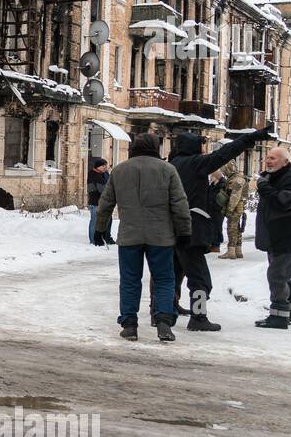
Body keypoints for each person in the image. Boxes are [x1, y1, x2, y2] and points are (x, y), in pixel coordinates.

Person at [167, 125, 274, 331]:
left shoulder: (173, 164)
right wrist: (251, 138)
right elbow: (225, 153)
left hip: (171, 228)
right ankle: (198, 318)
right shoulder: (195, 163)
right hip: (191, 230)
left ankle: (164, 311)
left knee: (172, 272)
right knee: (200, 279)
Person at [95, 132, 192, 343]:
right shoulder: (168, 170)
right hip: (161, 236)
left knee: (130, 280)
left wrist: (100, 228)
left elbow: (105, 203)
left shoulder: (120, 170)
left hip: (129, 235)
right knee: (165, 279)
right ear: (156, 148)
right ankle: (164, 321)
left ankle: (129, 325)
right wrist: (184, 232)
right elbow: (180, 204)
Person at [253, 146, 291, 329]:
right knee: (282, 275)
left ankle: (279, 316)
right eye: (267, 158)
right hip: (276, 237)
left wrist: (265, 188)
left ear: (285, 162)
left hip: (287, 237)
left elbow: (284, 201)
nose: (268, 161)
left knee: (277, 276)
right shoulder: (275, 177)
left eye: (273, 158)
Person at [218, 160, 249, 259]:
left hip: (235, 208)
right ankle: (238, 250)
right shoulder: (239, 178)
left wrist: (229, 210)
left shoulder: (236, 180)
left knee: (232, 229)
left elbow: (234, 197)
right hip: (239, 207)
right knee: (237, 229)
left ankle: (231, 252)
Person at [87, 157, 113, 245]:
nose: (105, 167)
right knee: (94, 221)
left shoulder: (102, 174)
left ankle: (104, 238)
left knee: (105, 220)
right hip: (95, 202)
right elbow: (102, 189)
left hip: (100, 202)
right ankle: (93, 240)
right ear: (98, 167)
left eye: (106, 166)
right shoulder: (95, 175)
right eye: (103, 166)